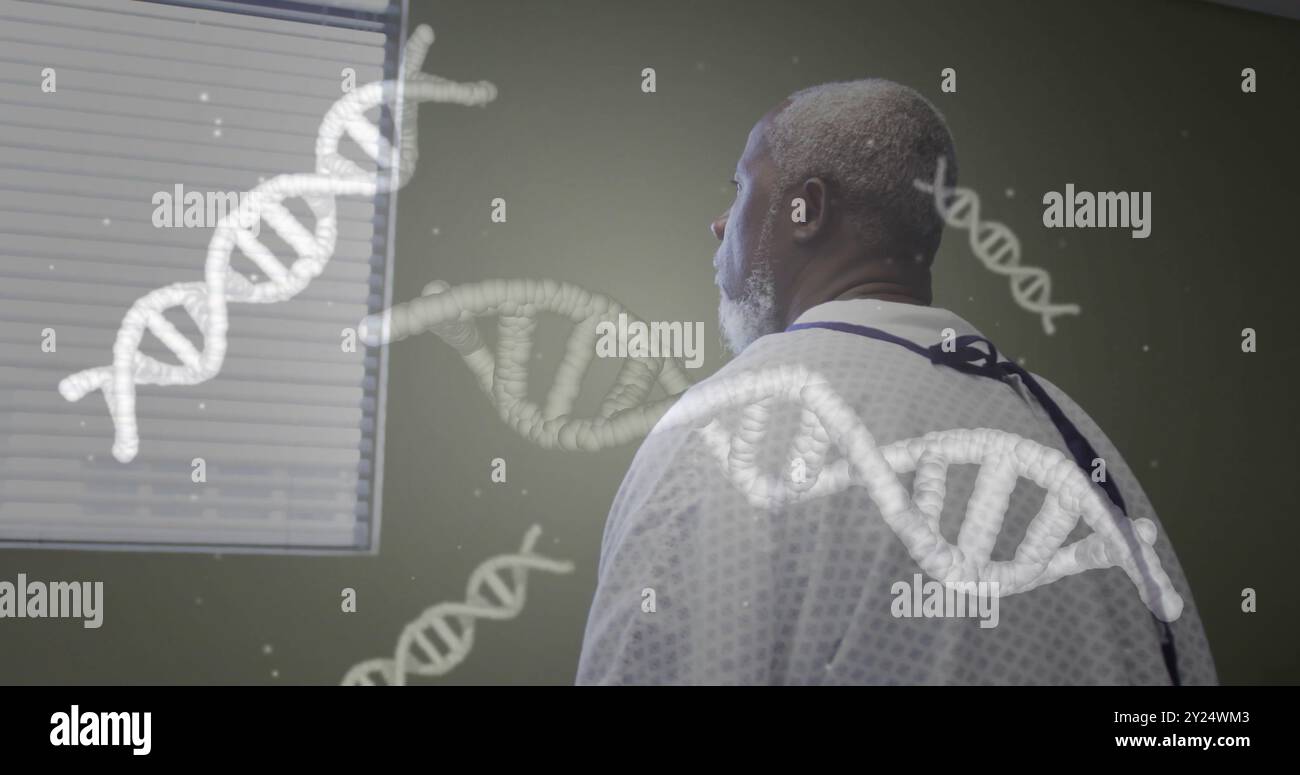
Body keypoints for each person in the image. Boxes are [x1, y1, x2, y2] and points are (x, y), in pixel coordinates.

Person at [576, 79, 1216, 684]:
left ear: (808, 210)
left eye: (741, 188)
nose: (720, 223)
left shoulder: (726, 430)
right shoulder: (1077, 439)